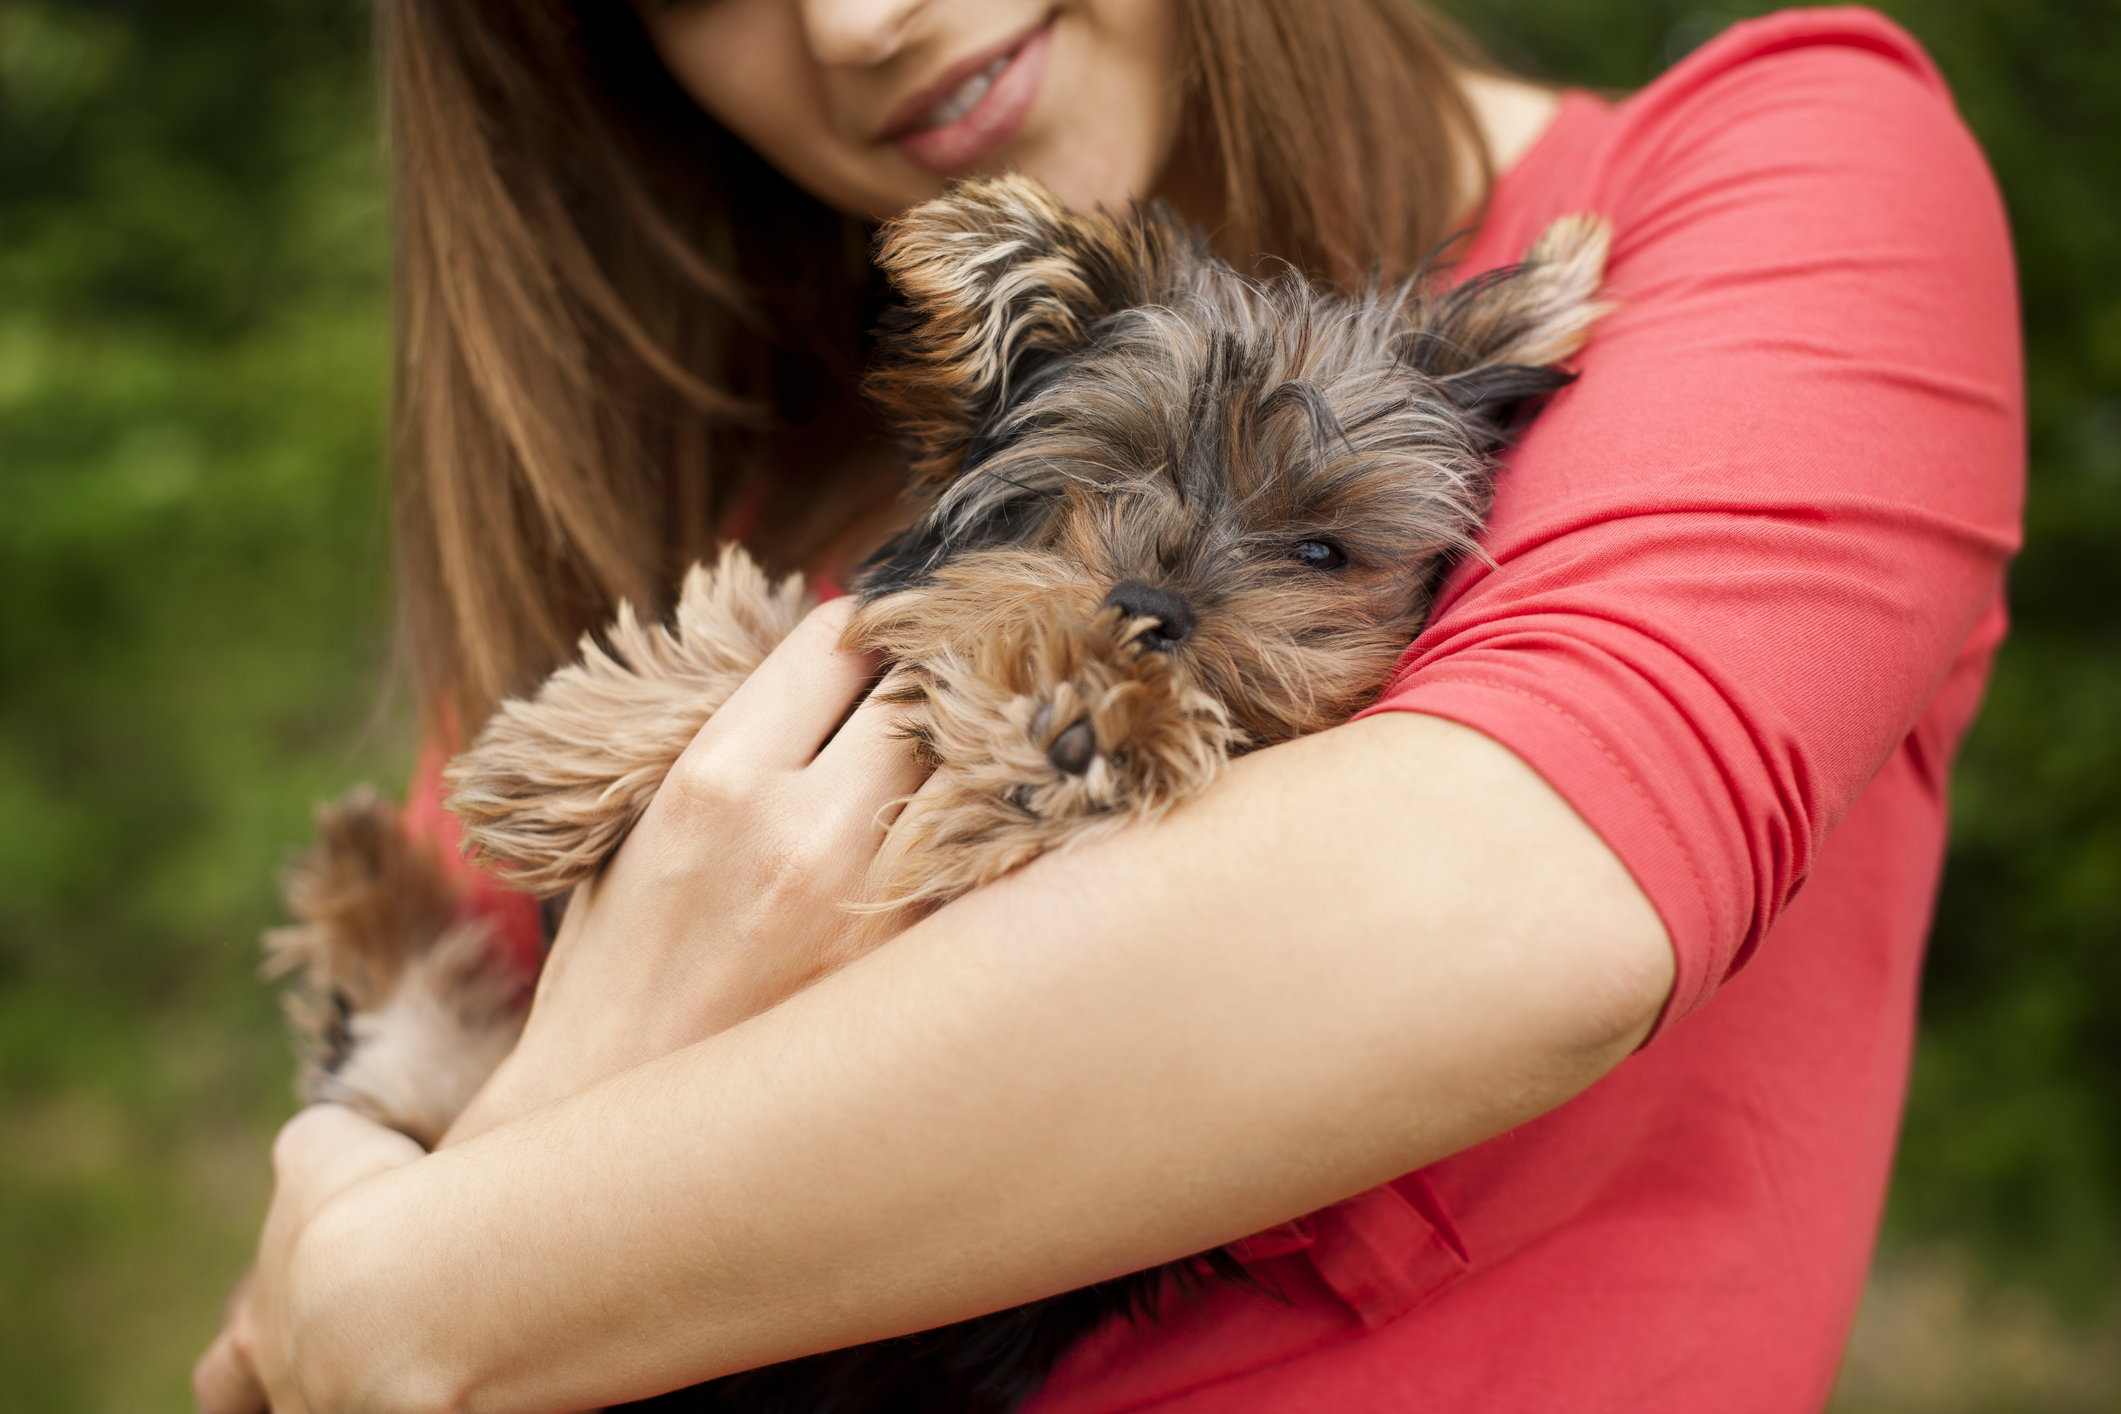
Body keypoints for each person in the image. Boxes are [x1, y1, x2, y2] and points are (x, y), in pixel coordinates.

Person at [193, 0, 2023, 1410]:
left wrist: (420, 1288)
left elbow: (1508, 900)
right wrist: (445, 1189)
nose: (859, 20)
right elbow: (284, 1329)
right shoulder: (700, 504)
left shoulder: (1768, 191)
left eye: (1303, 557)